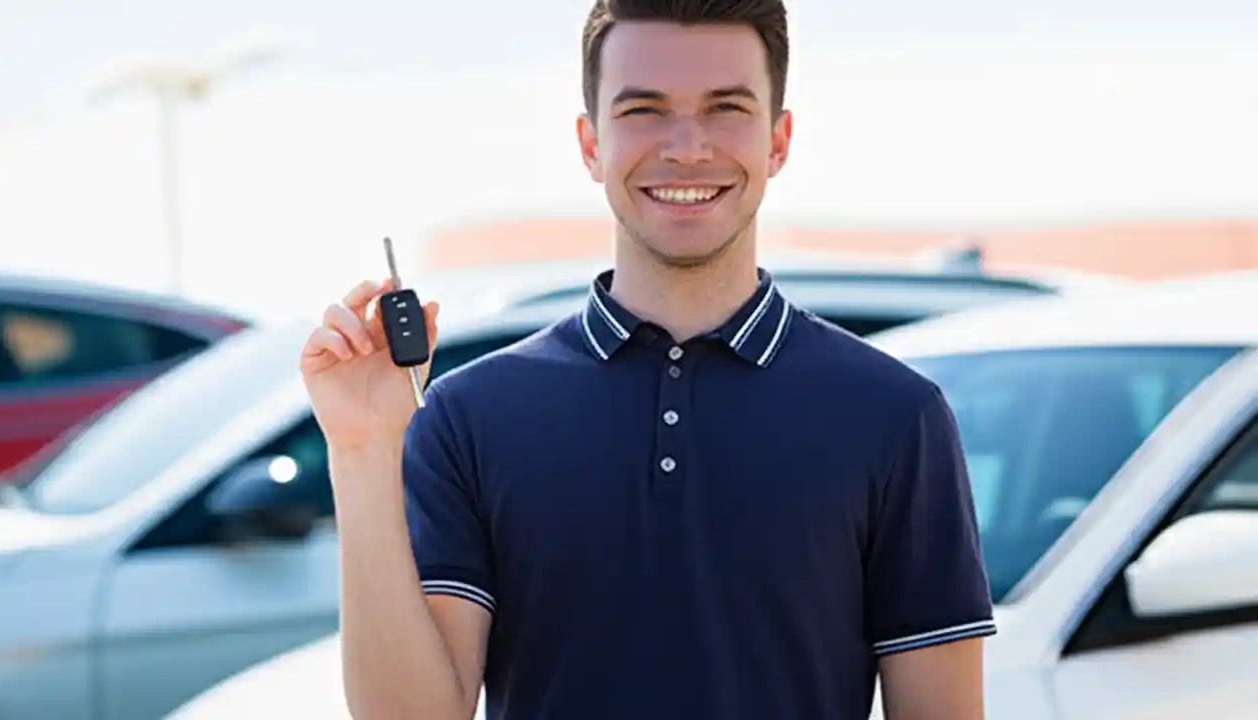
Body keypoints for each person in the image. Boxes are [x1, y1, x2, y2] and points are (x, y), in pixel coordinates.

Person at [299, 0, 996, 718]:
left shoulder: (893, 416)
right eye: (644, 110)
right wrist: (359, 452)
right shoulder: (471, 416)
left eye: (725, 108)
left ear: (778, 141)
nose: (687, 147)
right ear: (590, 143)